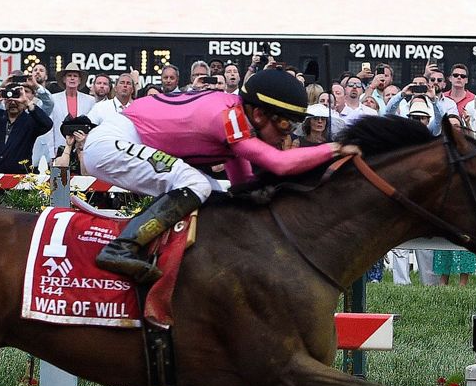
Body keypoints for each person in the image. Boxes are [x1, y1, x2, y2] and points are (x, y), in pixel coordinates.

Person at [81, 68, 360, 283]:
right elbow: (279, 164)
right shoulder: (229, 117)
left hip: (130, 140)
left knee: (214, 191)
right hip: (113, 141)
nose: (289, 133)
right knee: (196, 183)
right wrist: (334, 149)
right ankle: (120, 249)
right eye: (286, 123)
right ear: (260, 114)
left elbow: (241, 187)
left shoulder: (238, 120)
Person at [0, 79, 54, 174]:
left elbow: (47, 124)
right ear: (4, 100)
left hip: (18, 179)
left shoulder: (30, 121)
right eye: (9, 100)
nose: (13, 103)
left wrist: (27, 102)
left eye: (17, 99)